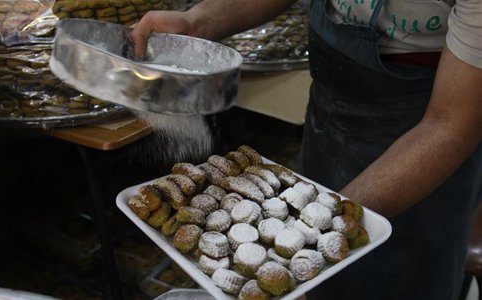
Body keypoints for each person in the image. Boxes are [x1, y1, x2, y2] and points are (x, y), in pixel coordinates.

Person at [131, 1, 482, 299]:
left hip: (425, 151)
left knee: (396, 279)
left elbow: (449, 126)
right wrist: (198, 20)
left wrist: (324, 217)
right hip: (330, 121)